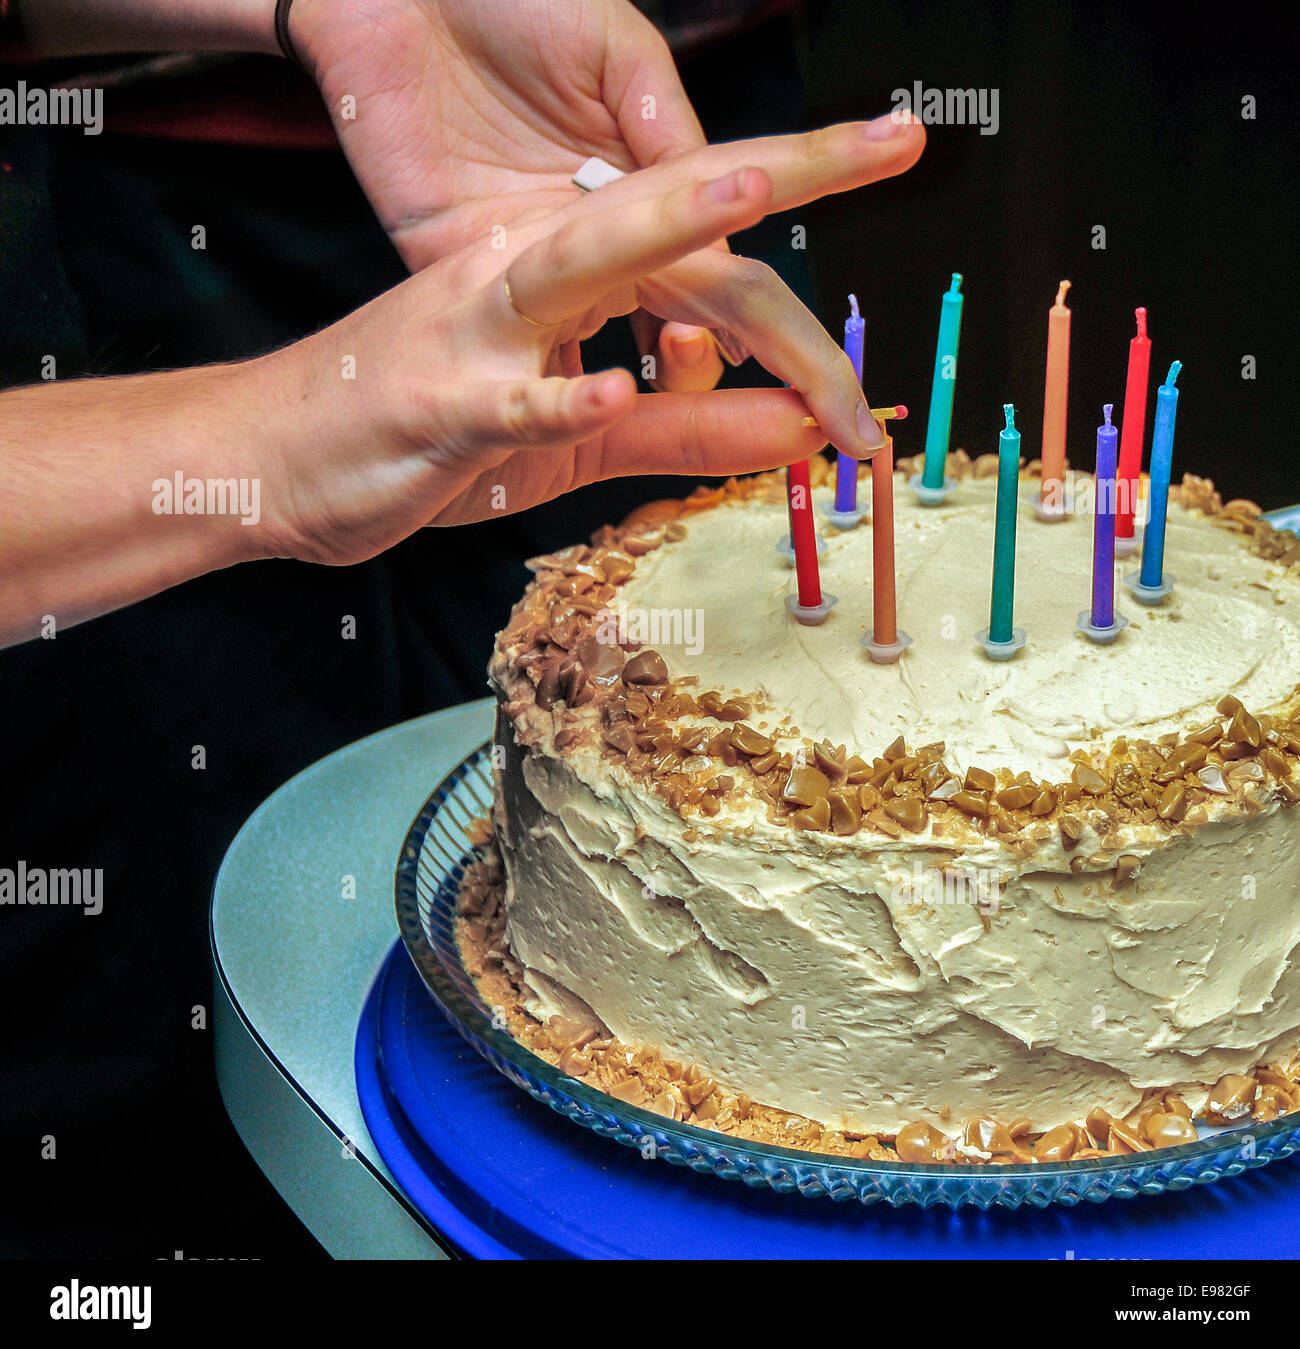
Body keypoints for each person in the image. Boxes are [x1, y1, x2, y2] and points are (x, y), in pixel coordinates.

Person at [1, 0, 923, 647]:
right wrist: (266, 444)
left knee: (592, 639)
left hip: (568, 124)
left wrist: (384, 7)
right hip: (150, 170)